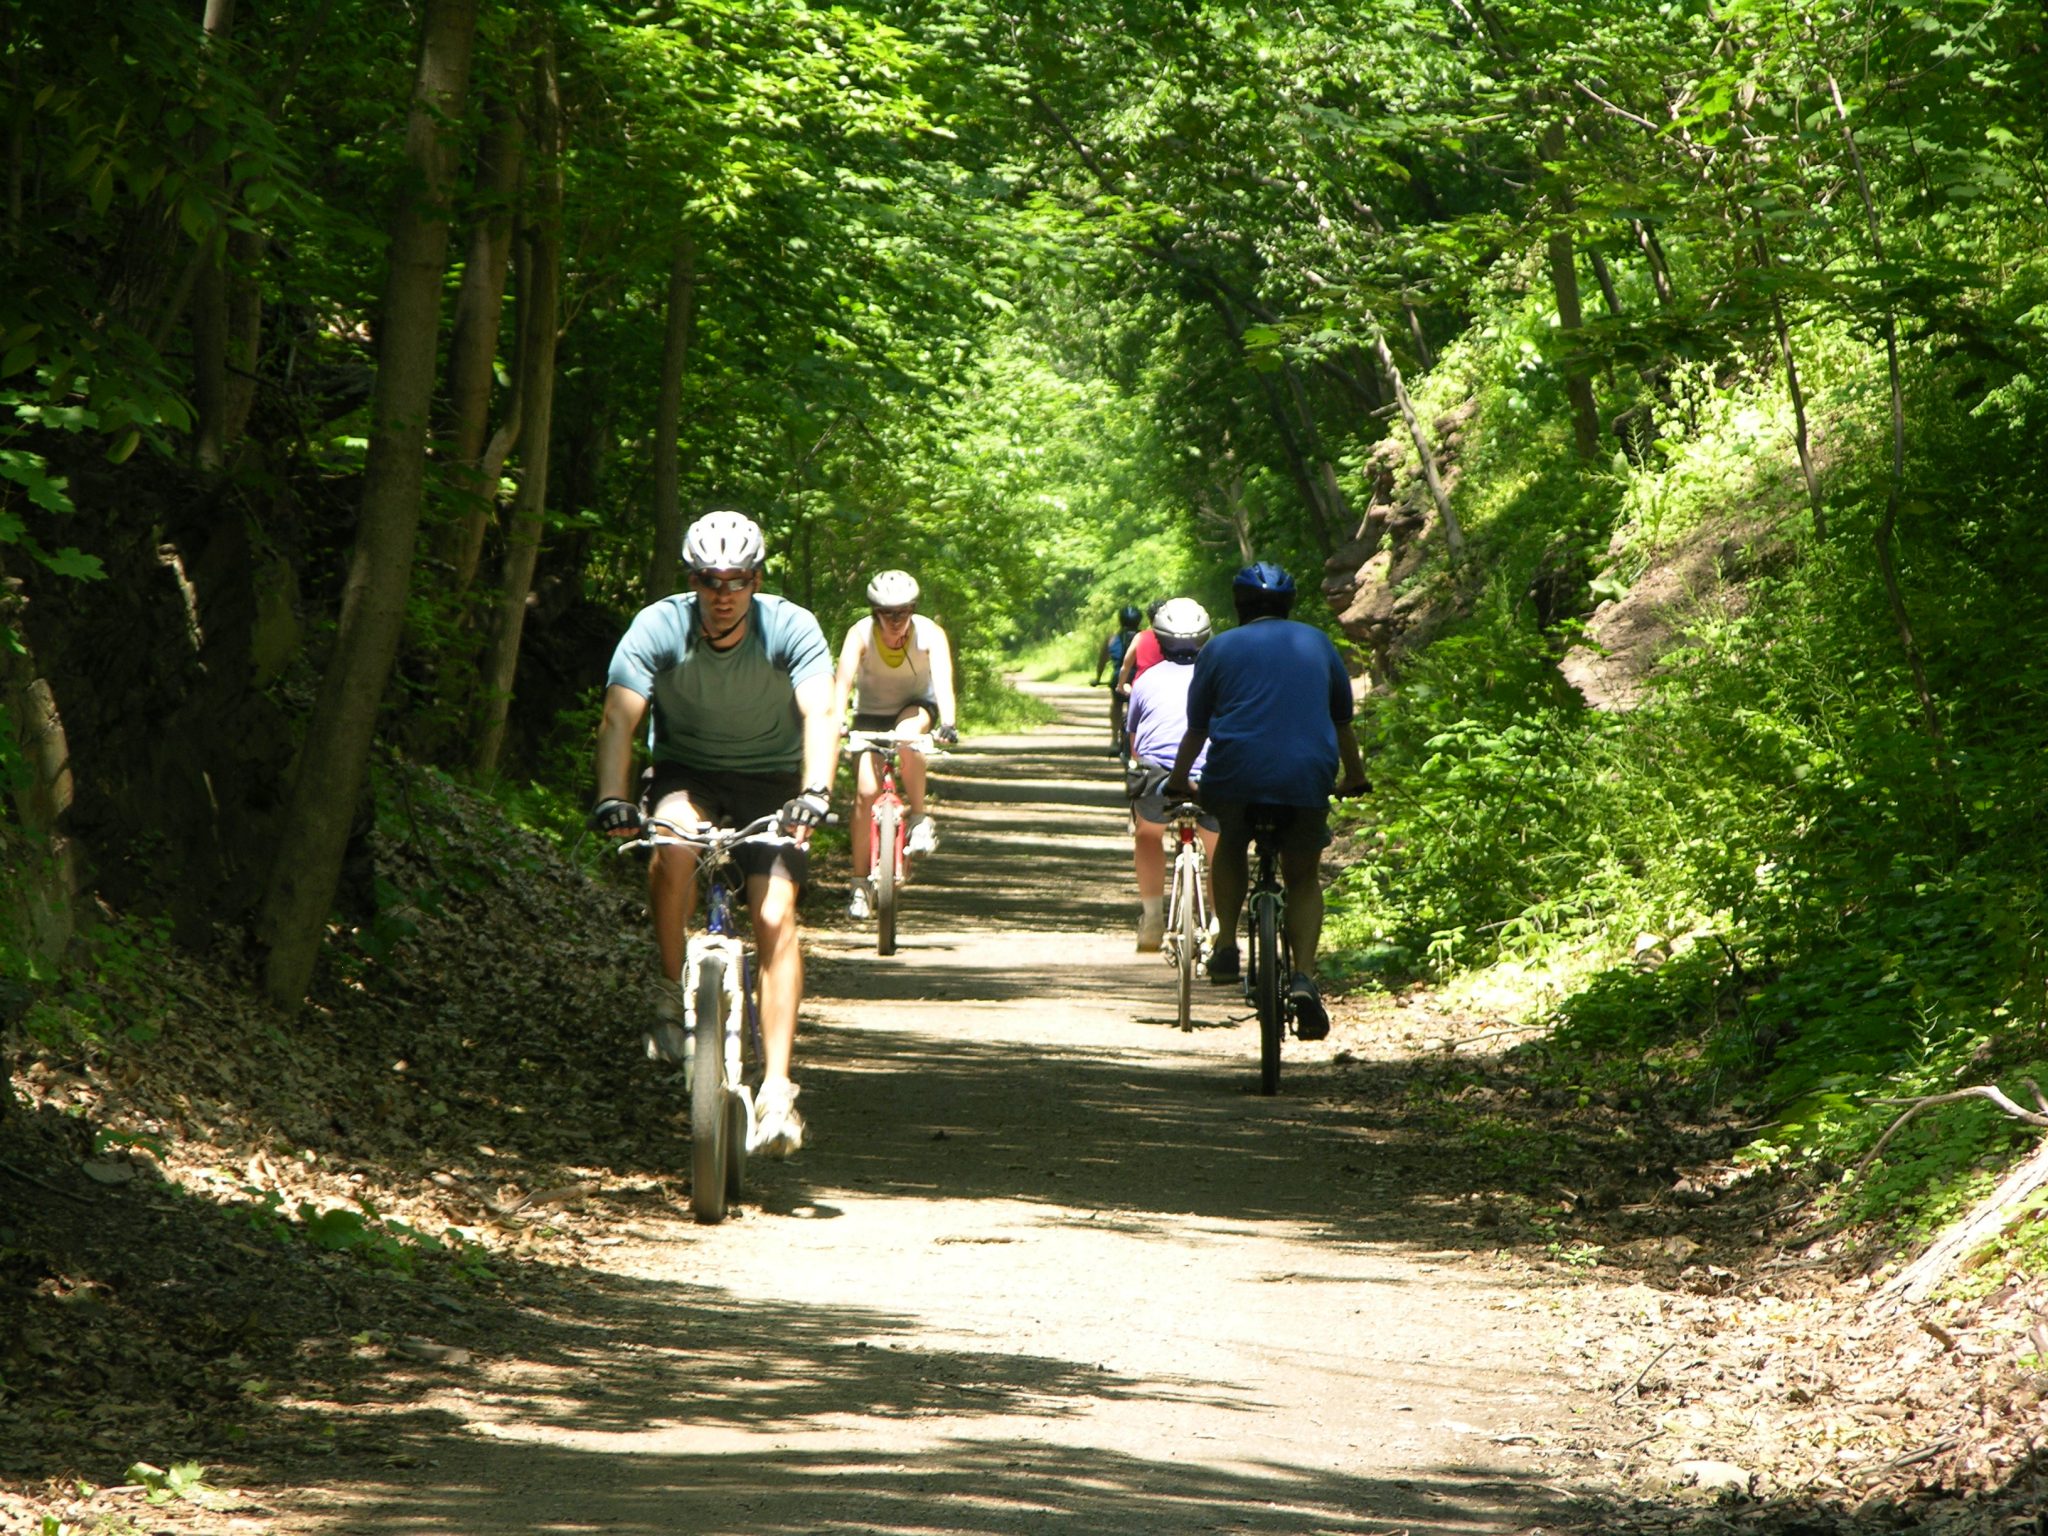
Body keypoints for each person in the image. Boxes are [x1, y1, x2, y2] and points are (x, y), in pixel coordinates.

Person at [590, 510, 836, 1158]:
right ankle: (670, 994)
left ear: (757, 580)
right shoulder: (659, 626)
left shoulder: (790, 627)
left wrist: (815, 791)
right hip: (687, 774)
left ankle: (778, 1091)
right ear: (692, 579)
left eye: (738, 579)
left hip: (773, 782)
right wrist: (613, 797)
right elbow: (619, 719)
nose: (723, 593)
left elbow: (821, 711)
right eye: (709, 579)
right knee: (670, 845)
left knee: (776, 912)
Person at [1164, 562, 1367, 1041]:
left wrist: (1177, 781)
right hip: (1306, 776)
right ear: (1289, 605)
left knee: (1231, 842)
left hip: (1236, 773)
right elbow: (1342, 724)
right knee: (1302, 877)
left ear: (1239, 606)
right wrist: (1356, 776)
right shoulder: (1318, 643)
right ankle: (1303, 977)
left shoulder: (1217, 649)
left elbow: (1198, 728)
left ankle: (1228, 945)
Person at [830, 569, 959, 918]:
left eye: (903, 611)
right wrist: (836, 721)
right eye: (888, 613)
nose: (896, 620)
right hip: (870, 716)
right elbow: (842, 683)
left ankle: (918, 819)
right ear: (875, 612)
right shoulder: (860, 634)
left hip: (914, 708)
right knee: (864, 793)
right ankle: (859, 885)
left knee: (907, 737)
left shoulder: (930, 634)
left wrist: (948, 721)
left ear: (913, 609)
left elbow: (944, 680)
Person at [1123, 597, 1219, 951]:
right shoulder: (1220, 676)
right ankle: (1218, 922)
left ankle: (1151, 919)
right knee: (1219, 848)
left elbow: (1136, 745)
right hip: (1212, 778)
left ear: (1158, 640)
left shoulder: (1146, 680)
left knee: (1147, 835)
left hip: (1161, 779)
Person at [1092, 603, 1143, 755]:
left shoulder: (1111, 639)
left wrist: (1097, 678)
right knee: (1140, 708)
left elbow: (1102, 661)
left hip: (1118, 677)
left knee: (1116, 705)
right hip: (1139, 678)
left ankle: (1114, 739)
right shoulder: (1145, 637)